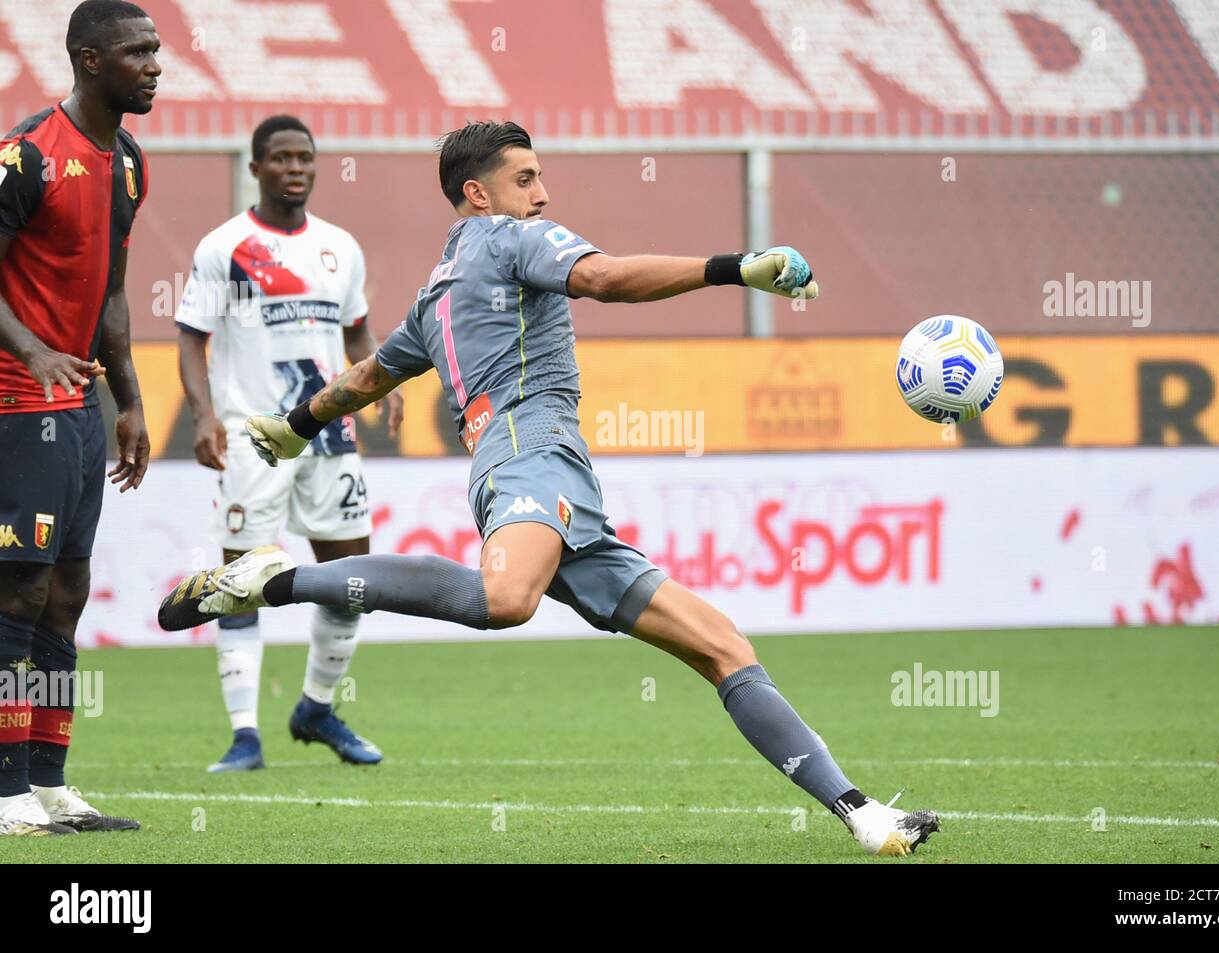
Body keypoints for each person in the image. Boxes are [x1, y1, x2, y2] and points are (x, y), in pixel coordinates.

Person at [160, 121, 940, 856]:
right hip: (530, 451)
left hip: (552, 484)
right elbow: (601, 278)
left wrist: (296, 424)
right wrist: (732, 268)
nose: (542, 194)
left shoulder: (435, 295)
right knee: (507, 600)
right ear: (479, 194)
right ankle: (281, 577)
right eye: (525, 178)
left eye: (540, 179)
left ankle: (864, 813)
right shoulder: (515, 237)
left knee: (721, 645)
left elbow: (367, 376)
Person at [176, 115, 402, 772]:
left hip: (331, 434)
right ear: (257, 168)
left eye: (305, 156)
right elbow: (192, 336)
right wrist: (203, 414)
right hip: (253, 438)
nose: (295, 167)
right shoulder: (225, 247)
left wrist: (383, 380)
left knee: (351, 580)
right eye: (281, 157)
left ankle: (316, 707)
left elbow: (356, 332)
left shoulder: (341, 247)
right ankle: (245, 734)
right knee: (241, 582)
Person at [0, 0, 159, 836]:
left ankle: (49, 781)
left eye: (157, 49)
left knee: (65, 593)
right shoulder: (27, 154)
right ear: (91, 61)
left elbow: (115, 292)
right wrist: (32, 352)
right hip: (18, 403)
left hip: (80, 403)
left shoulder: (127, 160)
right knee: (17, 590)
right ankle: (1, 793)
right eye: (138, 52)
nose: (156, 64)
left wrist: (127, 400)